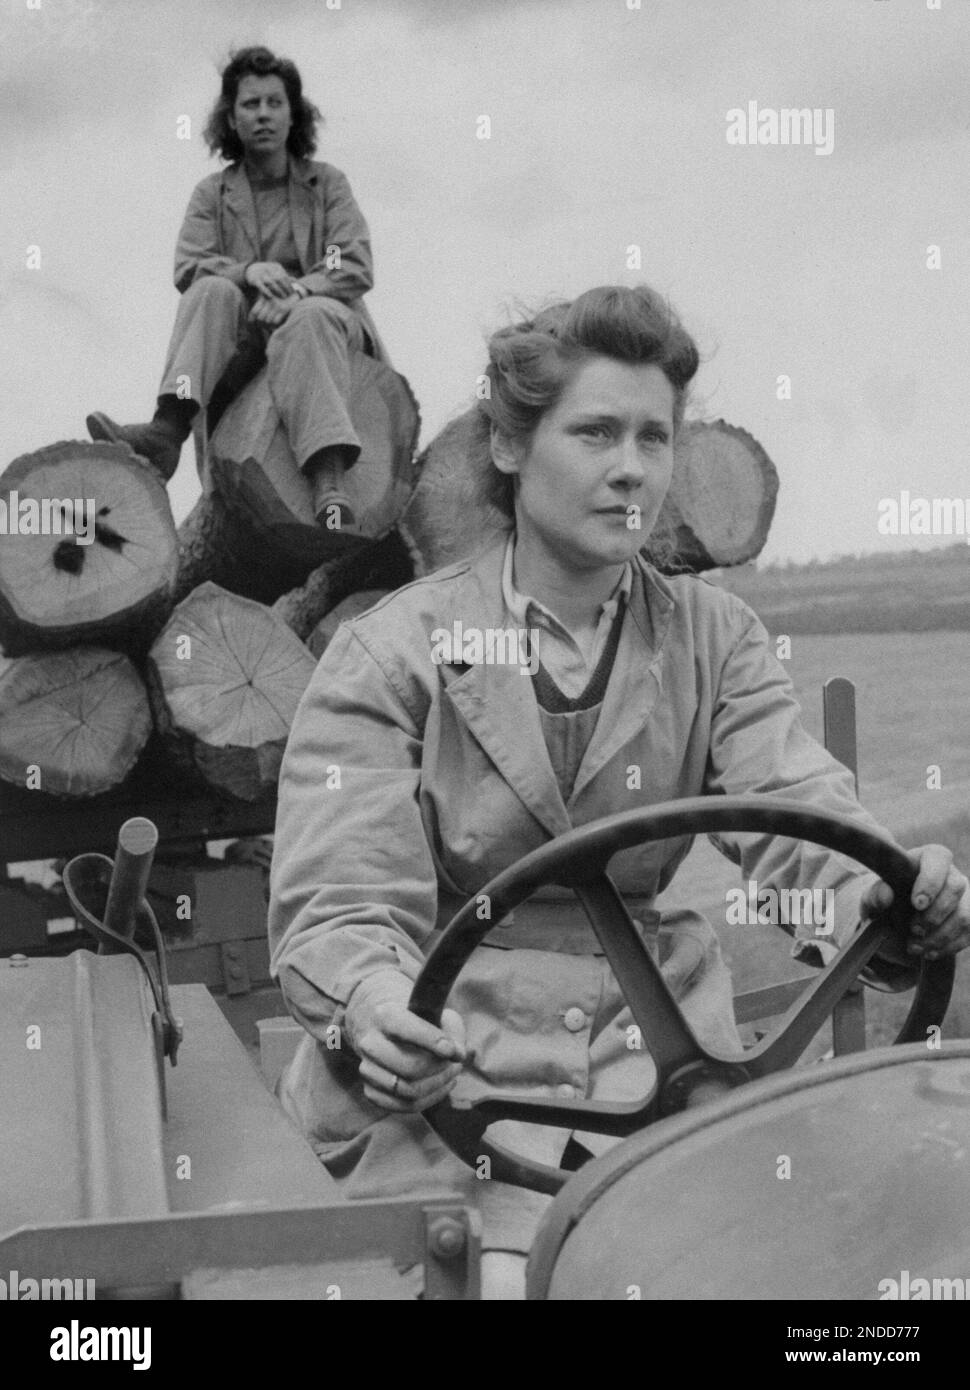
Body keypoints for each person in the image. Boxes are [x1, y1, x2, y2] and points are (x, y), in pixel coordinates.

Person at [267, 284, 970, 1299]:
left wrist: (880, 898)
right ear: (510, 449)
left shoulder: (712, 635)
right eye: (595, 431)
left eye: (654, 436)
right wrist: (372, 1007)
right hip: (444, 1092)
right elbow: (341, 895)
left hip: (666, 1084)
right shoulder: (392, 652)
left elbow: (796, 808)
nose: (631, 467)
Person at [87, 45, 386, 528]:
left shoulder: (327, 185)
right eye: (250, 104)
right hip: (243, 344)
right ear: (232, 117)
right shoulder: (212, 193)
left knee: (308, 318)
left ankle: (329, 479)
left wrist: (297, 292)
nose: (263, 114)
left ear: (295, 115)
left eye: (274, 102)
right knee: (210, 290)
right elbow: (190, 264)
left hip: (326, 328)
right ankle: (166, 434)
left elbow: (351, 264)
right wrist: (247, 273)